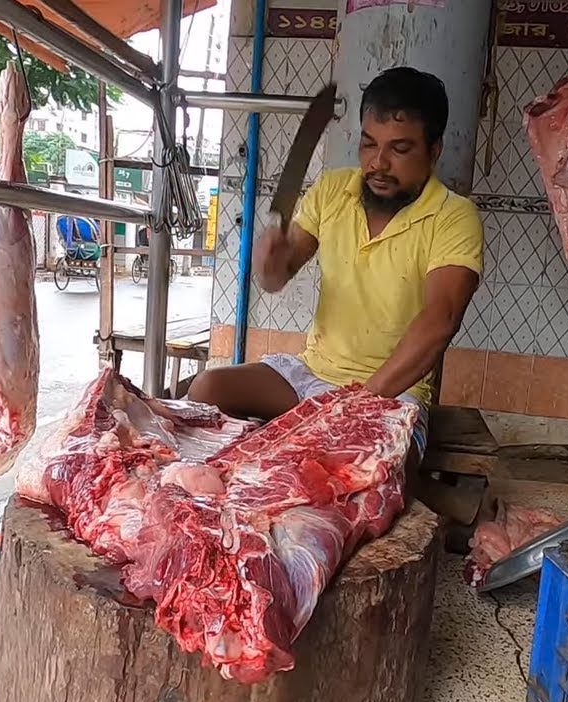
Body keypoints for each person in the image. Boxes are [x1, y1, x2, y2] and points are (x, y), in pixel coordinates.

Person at [189, 66, 484, 466]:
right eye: (368, 144)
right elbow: (276, 278)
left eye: (399, 149)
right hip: (310, 374)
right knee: (207, 389)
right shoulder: (333, 190)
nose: (378, 163)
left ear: (433, 152)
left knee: (371, 469)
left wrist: (355, 406)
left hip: (394, 392)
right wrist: (269, 260)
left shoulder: (454, 216)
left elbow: (440, 321)